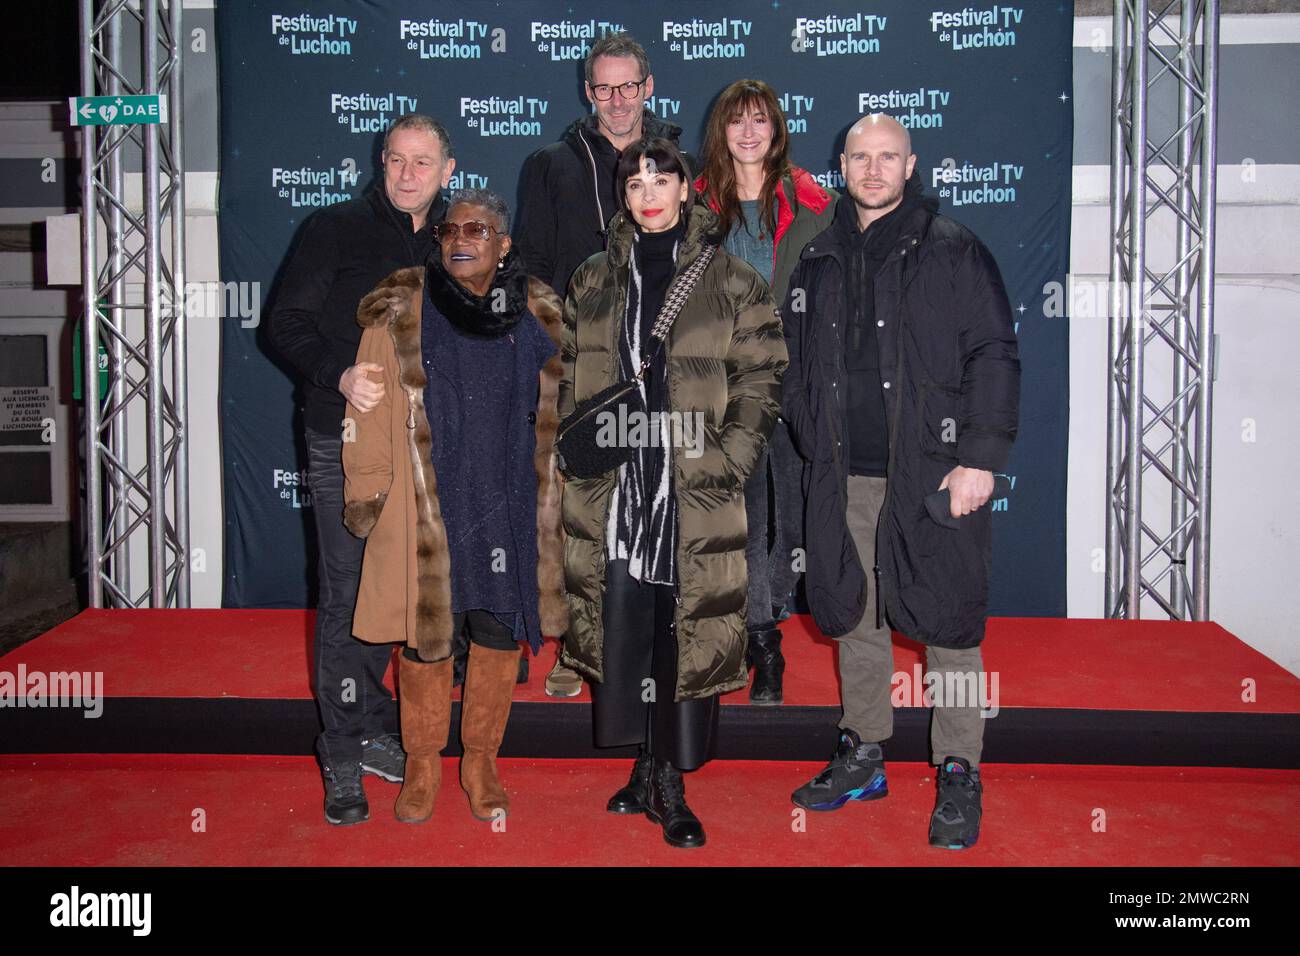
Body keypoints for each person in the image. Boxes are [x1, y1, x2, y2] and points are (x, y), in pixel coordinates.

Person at [781, 115, 1020, 849]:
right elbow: (792, 364)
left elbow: (994, 354)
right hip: (844, 476)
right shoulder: (817, 258)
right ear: (842, 163)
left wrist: (978, 458)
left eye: (889, 157)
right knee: (855, 617)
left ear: (911, 163)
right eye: (862, 157)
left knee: (948, 627)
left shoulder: (953, 249)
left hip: (934, 476)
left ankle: (958, 768)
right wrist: (810, 435)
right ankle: (864, 752)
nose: (875, 169)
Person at [558, 138, 788, 848]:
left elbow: (763, 374)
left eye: (663, 179)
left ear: (689, 189)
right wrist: (577, 451)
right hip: (617, 489)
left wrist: (733, 455)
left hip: (693, 485)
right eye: (635, 182)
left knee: (683, 625)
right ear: (622, 198)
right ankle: (644, 766)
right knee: (625, 624)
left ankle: (670, 781)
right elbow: (568, 377)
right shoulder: (593, 278)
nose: (650, 191)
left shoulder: (732, 278)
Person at [340, 189, 568, 825]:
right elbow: (367, 411)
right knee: (426, 637)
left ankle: (481, 759)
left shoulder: (538, 314)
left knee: (496, 632)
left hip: (507, 500)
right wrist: (367, 490)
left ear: (504, 242)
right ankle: (420, 763)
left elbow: (564, 415)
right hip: (427, 503)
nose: (462, 238)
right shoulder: (401, 312)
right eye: (450, 229)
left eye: (479, 228)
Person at [268, 114, 454, 826]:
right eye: (397, 161)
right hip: (341, 440)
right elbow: (285, 322)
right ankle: (341, 754)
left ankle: (373, 720)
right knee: (346, 597)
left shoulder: (456, 238)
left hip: (424, 450)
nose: (409, 174)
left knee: (398, 595)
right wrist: (338, 373)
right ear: (381, 164)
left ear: (446, 167)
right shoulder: (334, 228)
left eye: (423, 162)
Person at [515, 31, 693, 699]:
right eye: (604, 87)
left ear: (649, 87)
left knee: (658, 504)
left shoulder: (678, 162)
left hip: (661, 365)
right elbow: (530, 264)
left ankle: (656, 639)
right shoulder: (549, 165)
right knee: (577, 512)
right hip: (579, 367)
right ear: (588, 93)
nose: (617, 100)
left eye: (629, 85)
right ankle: (579, 647)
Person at [693, 79, 836, 705]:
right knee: (741, 516)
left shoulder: (813, 205)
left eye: (760, 122)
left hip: (801, 380)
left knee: (798, 519)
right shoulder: (694, 207)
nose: (748, 133)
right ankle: (762, 641)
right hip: (727, 387)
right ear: (720, 131)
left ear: (777, 130)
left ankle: (770, 608)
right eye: (736, 122)